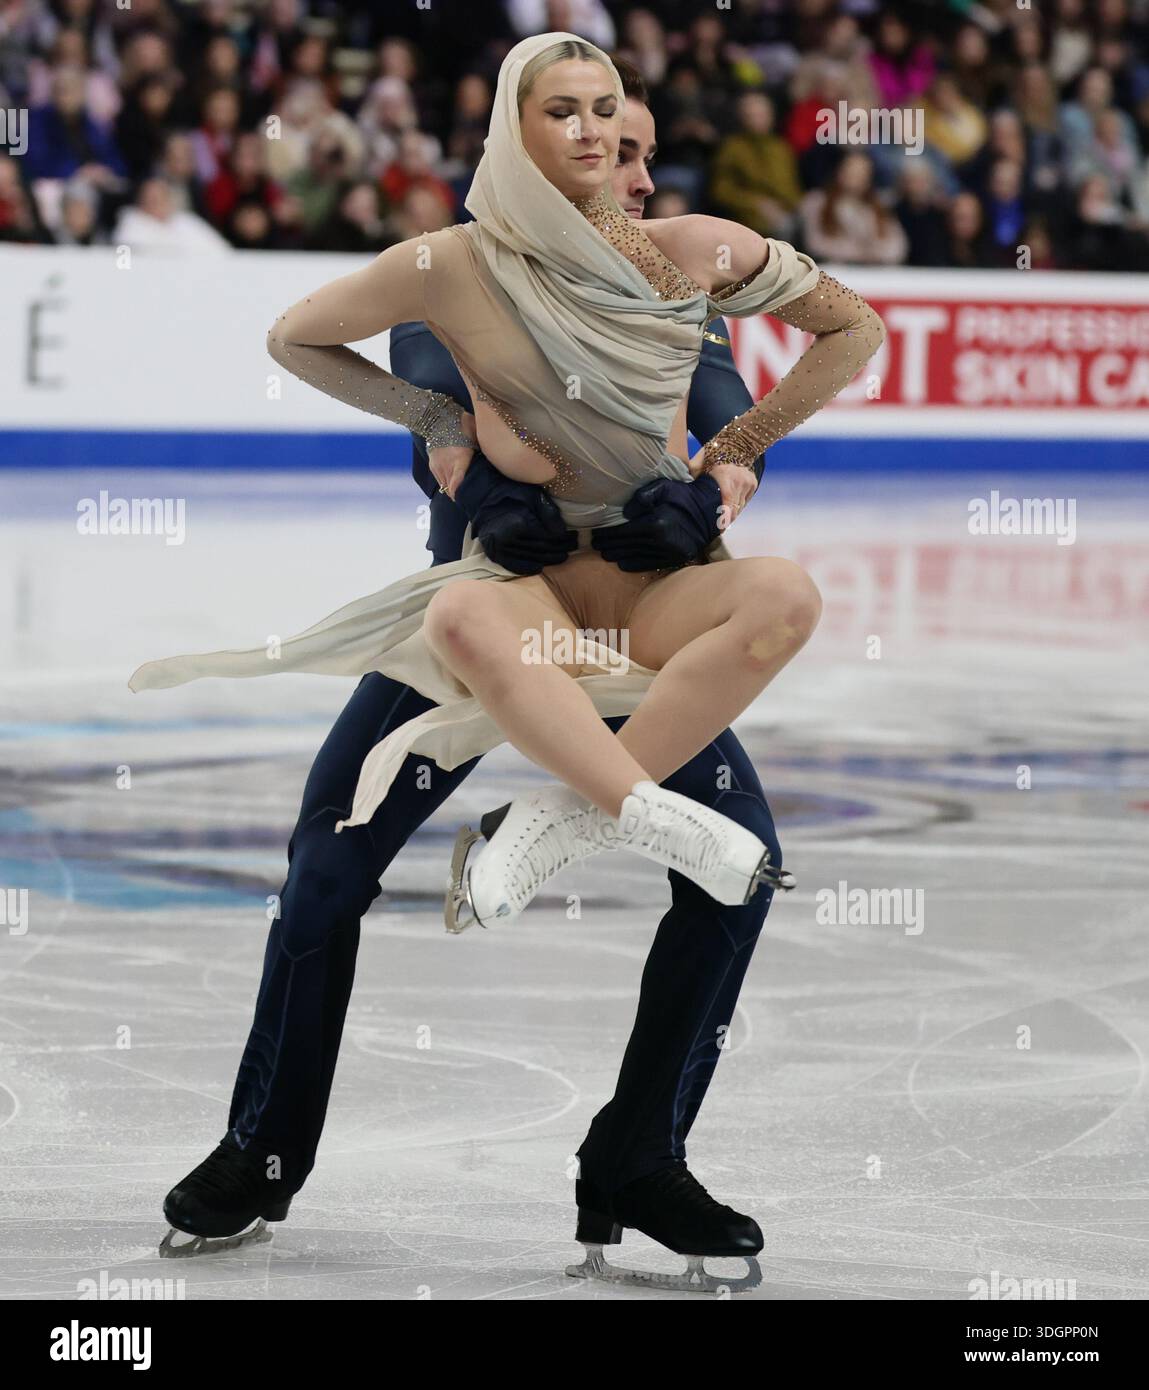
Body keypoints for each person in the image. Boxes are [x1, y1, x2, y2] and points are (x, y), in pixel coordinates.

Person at [134, 34, 884, 1287]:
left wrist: (731, 472)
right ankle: (263, 1152)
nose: (626, 168)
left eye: (636, 143)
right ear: (519, 138)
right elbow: (422, 365)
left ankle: (637, 1158)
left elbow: (730, 405)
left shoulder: (674, 285)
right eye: (589, 129)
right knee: (327, 865)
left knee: (737, 870)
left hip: (622, 635)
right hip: (480, 623)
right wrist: (460, 450)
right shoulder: (473, 272)